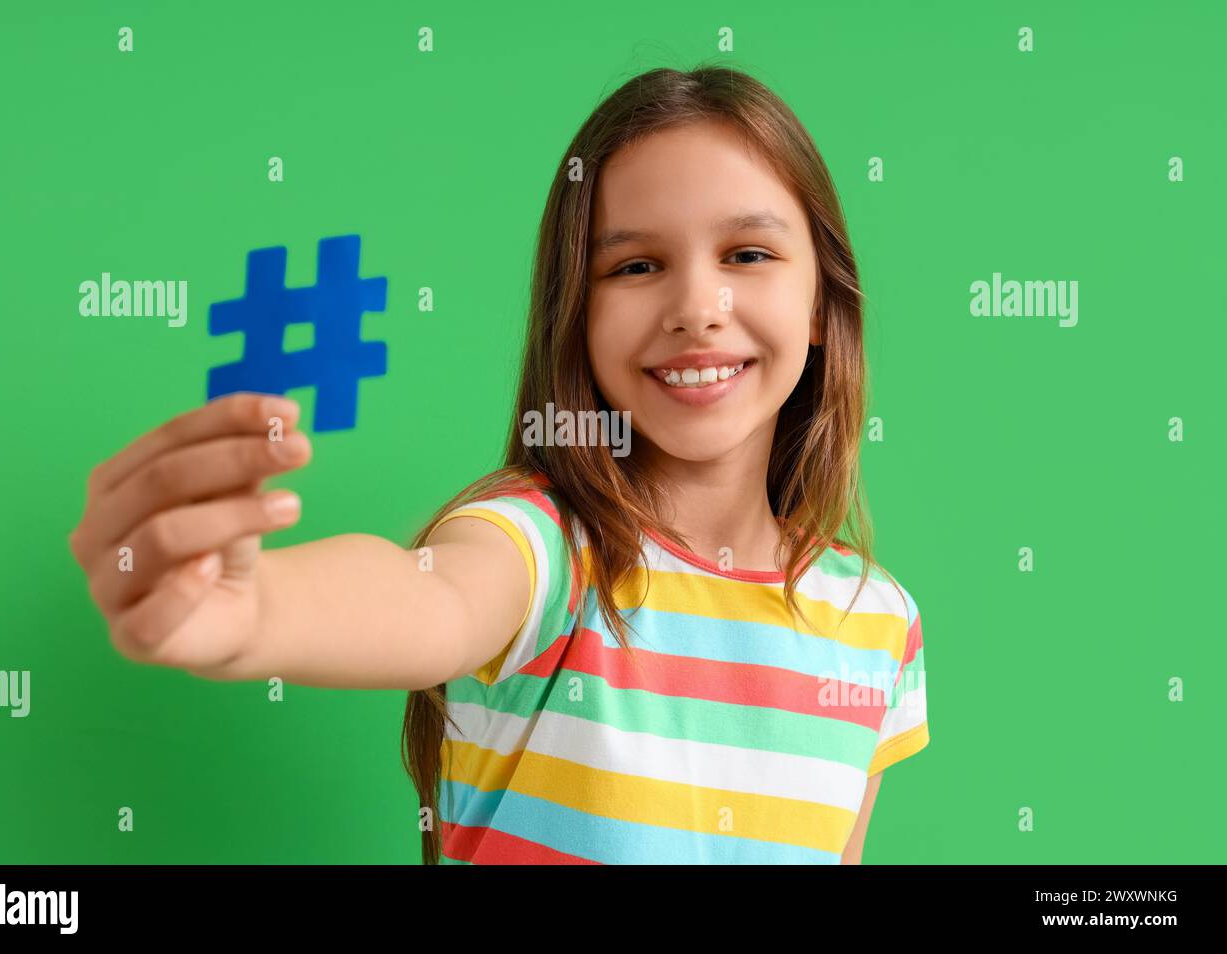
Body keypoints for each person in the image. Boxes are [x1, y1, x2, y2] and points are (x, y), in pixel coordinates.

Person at [69, 65, 929, 865]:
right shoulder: (544, 549)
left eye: (748, 254)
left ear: (823, 302)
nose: (698, 309)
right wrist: (249, 612)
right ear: (578, 319)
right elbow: (429, 598)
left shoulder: (876, 622)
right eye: (636, 265)